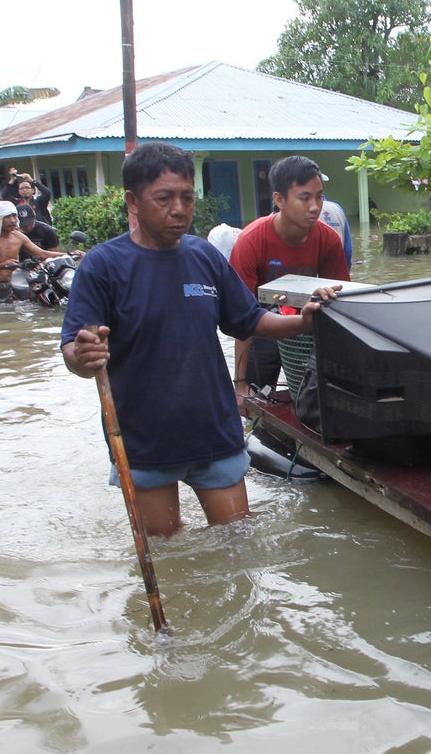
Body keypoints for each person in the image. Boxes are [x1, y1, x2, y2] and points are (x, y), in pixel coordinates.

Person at [61, 142, 341, 537]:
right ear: (133, 201)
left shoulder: (204, 256)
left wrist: (302, 322)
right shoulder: (102, 266)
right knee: (167, 548)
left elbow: (249, 320)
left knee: (237, 543)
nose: (179, 209)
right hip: (145, 437)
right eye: (165, 198)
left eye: (187, 197)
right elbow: (75, 351)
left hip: (213, 428)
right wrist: (81, 355)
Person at [229, 155, 349, 411]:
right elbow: (241, 317)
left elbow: (342, 302)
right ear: (279, 200)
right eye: (304, 198)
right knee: (256, 399)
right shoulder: (251, 241)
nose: (315, 207)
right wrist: (240, 384)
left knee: (318, 398)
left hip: (305, 327)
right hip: (261, 328)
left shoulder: (328, 239)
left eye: (319, 196)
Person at [0, 201, 73, 306]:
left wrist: (69, 255)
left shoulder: (18, 237)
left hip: (7, 287)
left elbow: (42, 254)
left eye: (14, 216)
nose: (13, 220)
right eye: (8, 217)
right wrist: (2, 266)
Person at [320, 196, 354, 272]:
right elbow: (348, 251)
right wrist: (345, 271)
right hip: (337, 269)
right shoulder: (337, 208)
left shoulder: (306, 210)